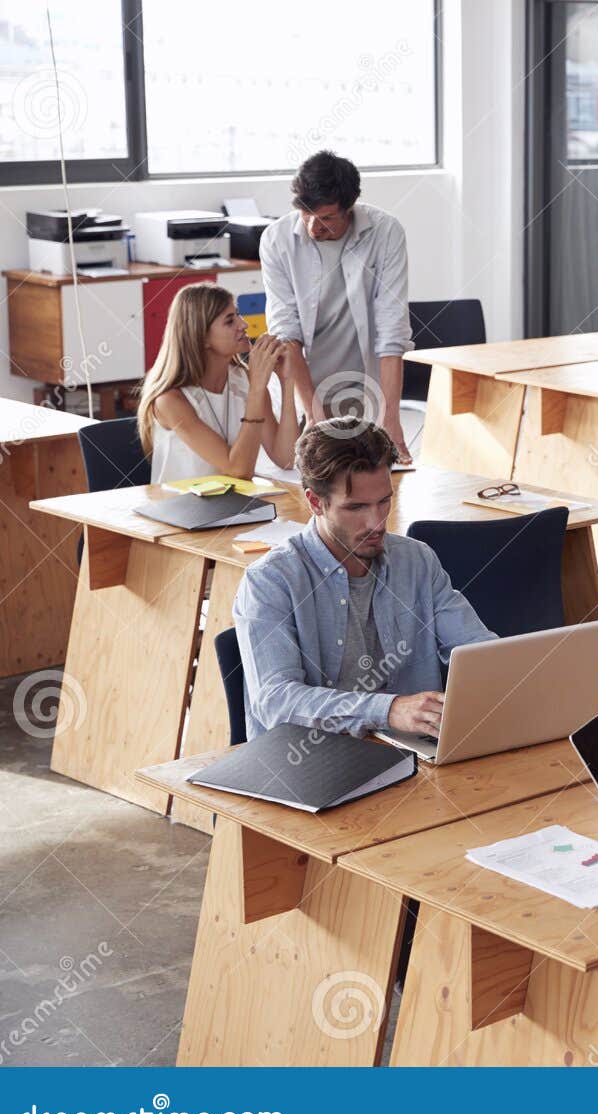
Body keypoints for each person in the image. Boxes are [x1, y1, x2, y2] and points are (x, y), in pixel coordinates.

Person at [232, 419, 494, 740]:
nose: (376, 522)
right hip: (310, 760)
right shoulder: (270, 581)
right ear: (315, 502)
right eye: (356, 507)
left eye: (384, 501)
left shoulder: (417, 560)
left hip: (411, 752)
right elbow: (276, 702)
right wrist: (389, 709)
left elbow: (479, 652)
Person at [260, 150, 415, 463]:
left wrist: (391, 417)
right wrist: (313, 414)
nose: (314, 228)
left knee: (372, 486)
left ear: (350, 206)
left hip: (365, 387)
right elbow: (286, 333)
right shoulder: (276, 240)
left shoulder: (385, 232)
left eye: (327, 219)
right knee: (308, 483)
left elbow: (391, 331)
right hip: (305, 387)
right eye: (307, 217)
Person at [137, 283, 299, 485]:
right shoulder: (170, 401)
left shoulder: (245, 380)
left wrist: (287, 381)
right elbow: (239, 471)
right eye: (230, 321)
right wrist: (257, 389)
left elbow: (287, 459)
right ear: (202, 336)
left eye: (238, 314)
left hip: (233, 507)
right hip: (184, 510)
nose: (244, 324)